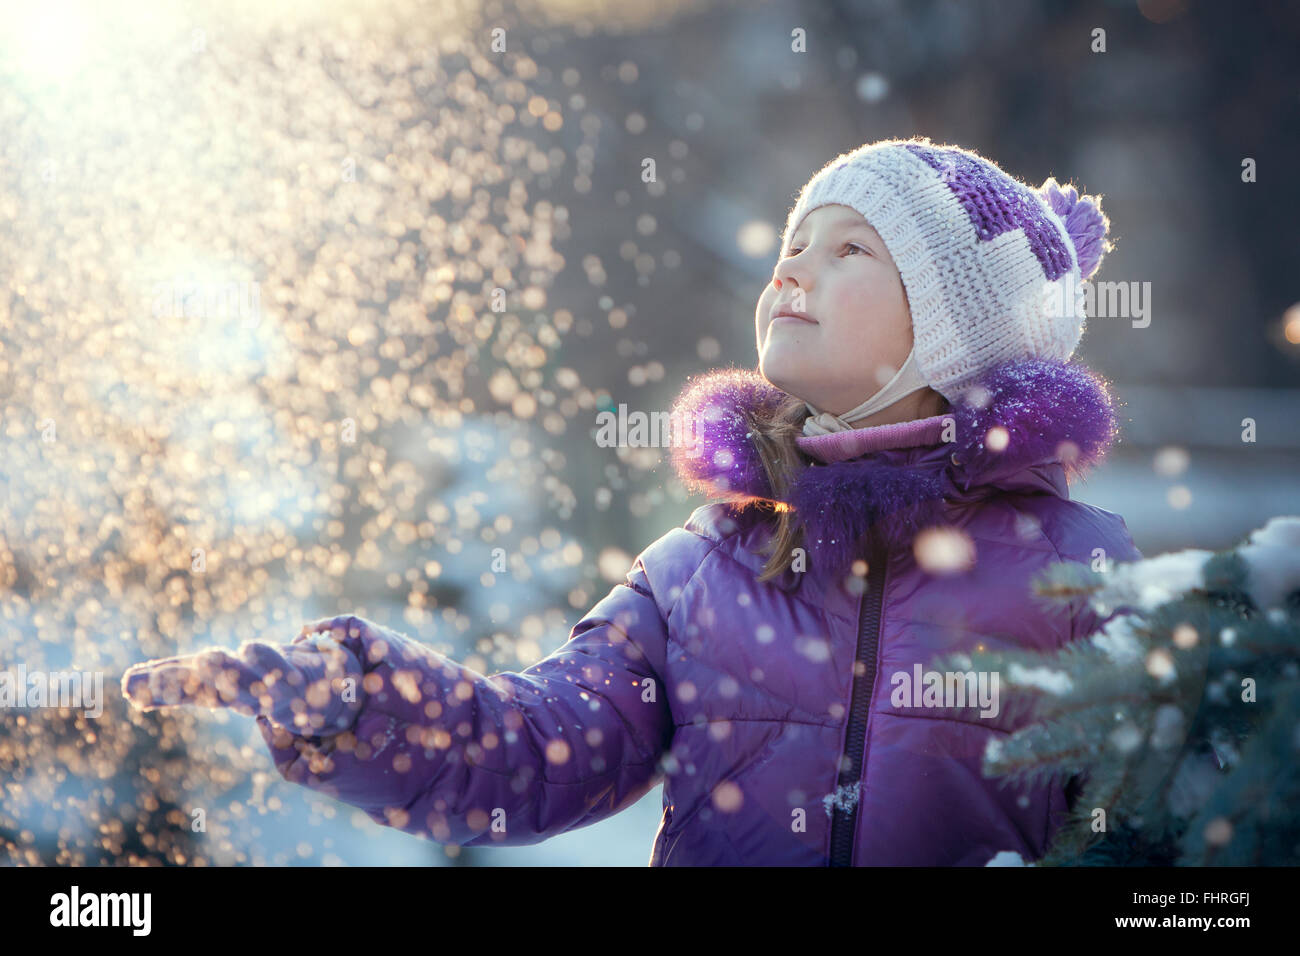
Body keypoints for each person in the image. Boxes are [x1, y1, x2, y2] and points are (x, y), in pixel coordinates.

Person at [123, 136, 1143, 866]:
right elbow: (535, 745)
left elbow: (1164, 823)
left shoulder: (1072, 570)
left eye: (851, 250)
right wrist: (357, 700)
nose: (794, 263)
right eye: (794, 241)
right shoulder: (703, 567)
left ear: (955, 332)